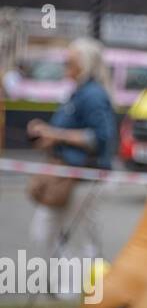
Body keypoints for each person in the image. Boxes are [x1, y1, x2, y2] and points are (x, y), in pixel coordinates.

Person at [26, 37, 117, 274]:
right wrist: (47, 135)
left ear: (83, 65)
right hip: (68, 174)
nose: (65, 66)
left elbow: (99, 137)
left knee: (78, 238)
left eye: (70, 62)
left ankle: (81, 288)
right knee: (49, 231)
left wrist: (55, 134)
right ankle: (68, 285)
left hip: (82, 179)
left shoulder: (93, 95)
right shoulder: (78, 93)